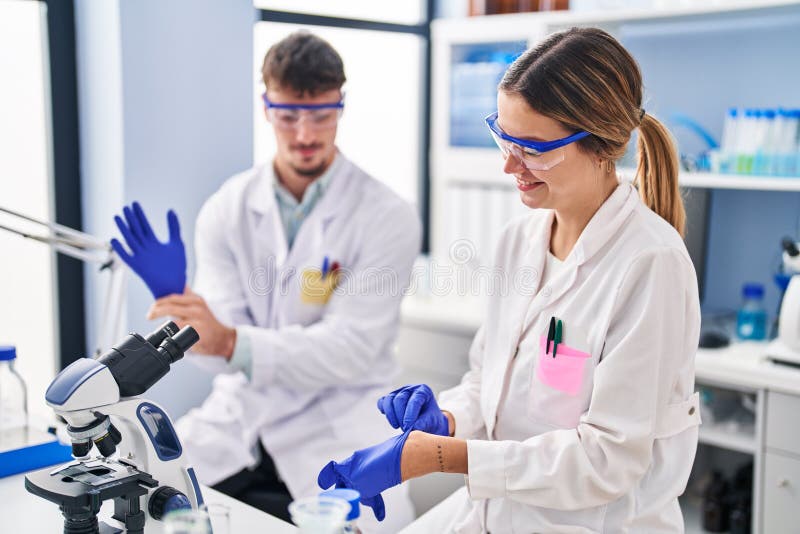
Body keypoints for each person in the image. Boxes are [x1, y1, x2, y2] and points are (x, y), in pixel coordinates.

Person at [317, 27, 701, 533]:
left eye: (533, 148)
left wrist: (438, 455)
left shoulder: (651, 264)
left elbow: (605, 461)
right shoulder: (518, 241)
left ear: (603, 145)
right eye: (504, 135)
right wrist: (447, 419)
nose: (508, 165)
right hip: (499, 514)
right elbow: (488, 384)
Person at [111, 31, 418, 532]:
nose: (305, 134)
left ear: (341, 105)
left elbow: (352, 349)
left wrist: (230, 340)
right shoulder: (227, 208)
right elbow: (218, 354)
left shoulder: (387, 215)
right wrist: (188, 313)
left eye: (321, 114)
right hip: (241, 420)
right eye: (288, 115)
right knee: (143, 493)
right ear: (265, 106)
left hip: (338, 422)